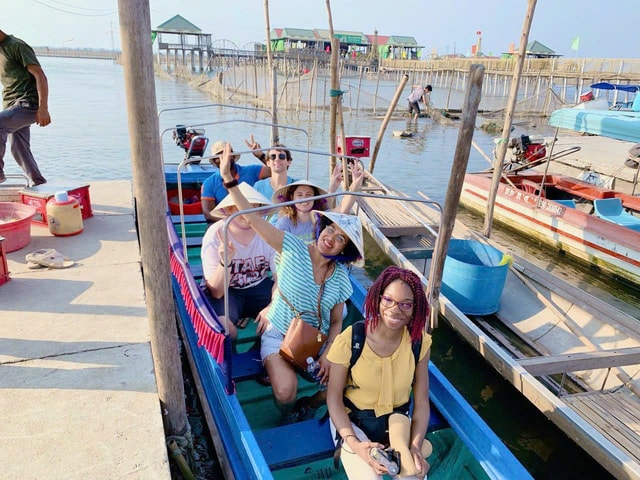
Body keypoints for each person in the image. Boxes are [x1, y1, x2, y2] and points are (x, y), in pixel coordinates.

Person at [217, 142, 365, 424]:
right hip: (279, 333)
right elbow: (254, 219)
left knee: (351, 380)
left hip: (317, 341)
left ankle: (309, 403)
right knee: (285, 392)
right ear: (321, 228)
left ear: (343, 250)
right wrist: (229, 180)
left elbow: (336, 323)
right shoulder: (293, 247)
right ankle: (288, 412)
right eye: (330, 229)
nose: (331, 238)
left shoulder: (339, 277)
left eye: (340, 239)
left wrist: (328, 354)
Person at [326, 266, 432, 479]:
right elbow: (333, 398)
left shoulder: (419, 343)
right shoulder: (351, 339)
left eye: (406, 304)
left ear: (415, 309)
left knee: (414, 474)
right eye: (388, 300)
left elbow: (421, 403)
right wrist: (355, 444)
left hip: (397, 421)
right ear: (378, 299)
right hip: (353, 421)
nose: (395, 309)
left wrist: (416, 447)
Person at [200, 182, 276, 341]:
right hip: (229, 291)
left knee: (289, 312)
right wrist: (225, 262)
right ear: (230, 209)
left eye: (253, 207)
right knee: (223, 329)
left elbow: (280, 278)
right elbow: (216, 292)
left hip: (259, 286)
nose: (247, 213)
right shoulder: (215, 234)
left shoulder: (267, 232)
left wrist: (273, 307)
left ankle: (267, 350)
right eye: (241, 207)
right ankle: (230, 357)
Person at [0, 29, 50, 185]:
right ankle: (38, 183)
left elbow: (40, 75)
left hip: (27, 103)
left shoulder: (17, 46)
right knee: (19, 148)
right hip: (11, 107)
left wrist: (43, 108)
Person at [272, 162, 365, 245]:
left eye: (309, 195)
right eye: (299, 195)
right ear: (292, 198)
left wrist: (355, 187)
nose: (304, 198)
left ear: (314, 197)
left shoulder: (320, 217)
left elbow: (342, 208)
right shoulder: (284, 222)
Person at [200, 138, 271, 222]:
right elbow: (208, 213)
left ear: (233, 156)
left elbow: (275, 172)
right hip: (224, 223)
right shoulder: (209, 183)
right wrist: (234, 222)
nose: (224, 158)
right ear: (215, 161)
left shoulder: (251, 171)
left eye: (227, 154)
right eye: (219, 156)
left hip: (251, 220)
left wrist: (261, 156)